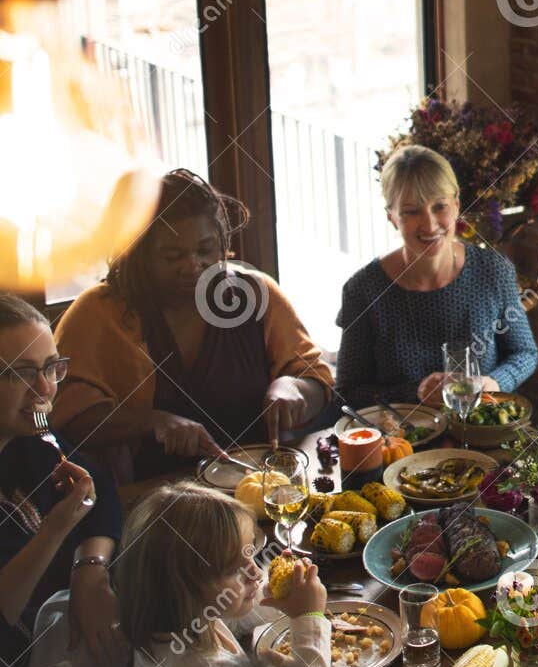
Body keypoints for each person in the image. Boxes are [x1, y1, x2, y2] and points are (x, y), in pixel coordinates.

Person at [51, 169, 333, 482]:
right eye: (173, 256)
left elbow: (317, 380)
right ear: (137, 254)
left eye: (205, 250)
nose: (193, 266)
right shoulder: (97, 313)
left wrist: (294, 387)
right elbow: (69, 417)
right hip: (154, 495)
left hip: (260, 482)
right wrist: (151, 422)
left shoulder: (256, 295)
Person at [30, 481, 328, 667]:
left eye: (250, 553)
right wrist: (308, 619)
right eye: (234, 568)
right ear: (183, 589)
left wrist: (285, 594)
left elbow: (231, 606)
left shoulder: (174, 624)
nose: (255, 572)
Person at [335, 144, 538, 406]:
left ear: (456, 205)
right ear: (392, 217)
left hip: (480, 431)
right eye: (411, 211)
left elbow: (524, 352)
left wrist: (496, 382)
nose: (429, 224)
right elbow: (348, 390)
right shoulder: (363, 289)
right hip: (402, 441)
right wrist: (415, 393)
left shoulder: (494, 271)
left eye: (439, 206)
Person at [0, 293, 121, 654]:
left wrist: (90, 571)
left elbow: (100, 491)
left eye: (51, 368)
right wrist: (54, 530)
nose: (45, 388)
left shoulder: (33, 439)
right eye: (21, 373)